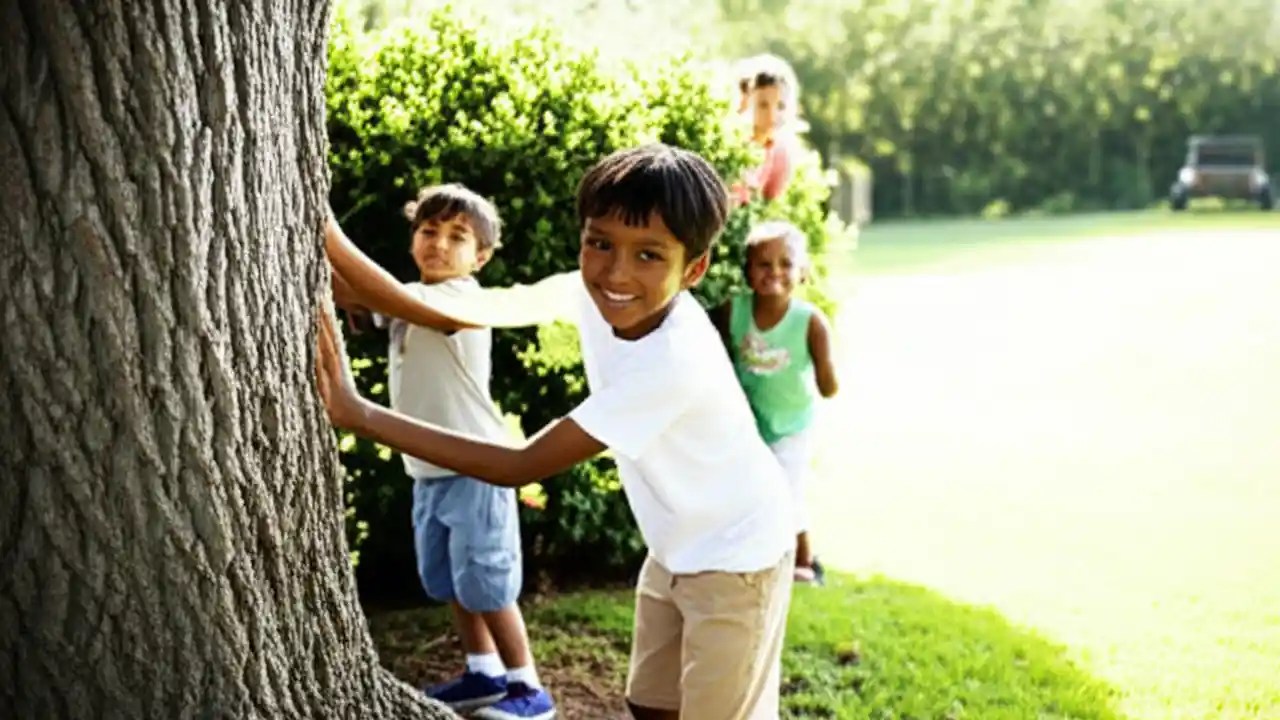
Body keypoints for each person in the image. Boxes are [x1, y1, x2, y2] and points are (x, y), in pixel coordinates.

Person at [317, 144, 795, 720]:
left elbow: (519, 465)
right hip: (674, 549)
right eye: (600, 244)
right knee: (649, 704)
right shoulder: (586, 291)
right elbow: (460, 312)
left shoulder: (672, 363)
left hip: (738, 557)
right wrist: (326, 242)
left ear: (693, 268)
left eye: (649, 255)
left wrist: (358, 412)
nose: (616, 273)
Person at [327, 185, 554, 720]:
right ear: (412, 240)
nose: (438, 243)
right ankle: (483, 672)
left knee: (489, 582)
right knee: (453, 579)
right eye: (428, 231)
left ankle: (529, 690)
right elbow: (353, 294)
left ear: (480, 257)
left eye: (457, 237)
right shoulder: (411, 297)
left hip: (477, 467)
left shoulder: (463, 302)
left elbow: (375, 292)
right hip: (428, 469)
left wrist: (327, 231)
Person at [711, 220, 839, 584]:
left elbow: (829, 385)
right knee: (746, 487)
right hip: (746, 423)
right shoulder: (732, 312)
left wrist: (825, 376)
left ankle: (805, 561)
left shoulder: (810, 322)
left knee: (787, 490)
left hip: (790, 424)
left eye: (785, 264)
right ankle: (750, 552)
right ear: (747, 271)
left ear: (803, 273)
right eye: (763, 264)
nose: (774, 273)